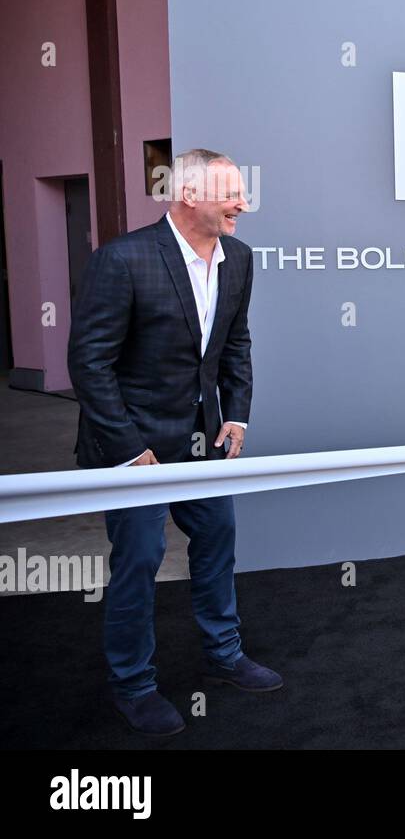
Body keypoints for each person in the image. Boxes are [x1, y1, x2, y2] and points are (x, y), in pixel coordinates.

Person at [66, 149, 279, 738]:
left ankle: (224, 656)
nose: (243, 204)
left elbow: (236, 344)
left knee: (218, 543)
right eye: (232, 193)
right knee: (138, 563)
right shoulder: (123, 258)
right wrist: (131, 448)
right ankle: (133, 686)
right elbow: (90, 364)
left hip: (202, 444)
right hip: (134, 450)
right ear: (189, 196)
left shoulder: (238, 257)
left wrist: (236, 417)